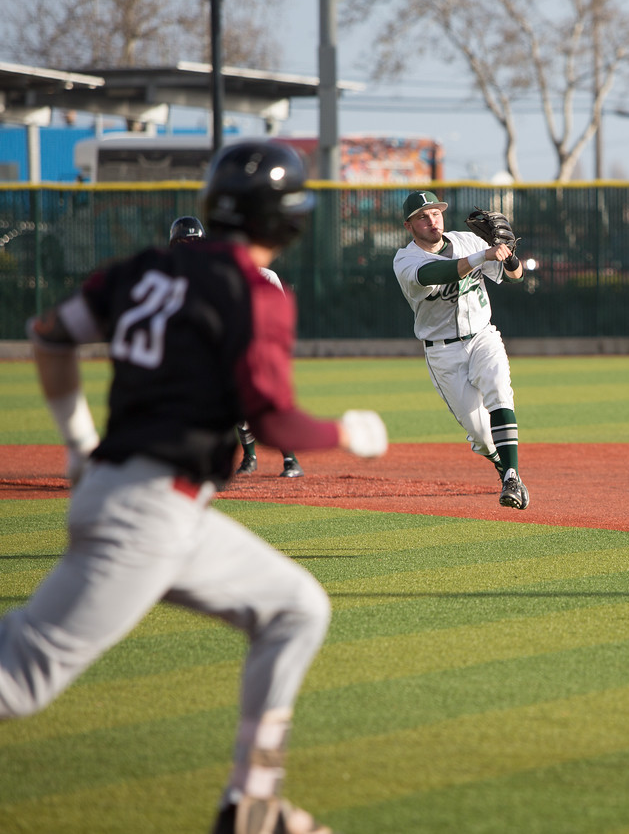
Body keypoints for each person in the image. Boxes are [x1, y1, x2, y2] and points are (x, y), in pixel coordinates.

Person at [2, 139, 388, 834]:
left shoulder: (146, 267)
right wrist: (344, 432)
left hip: (164, 505)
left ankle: (252, 805)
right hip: (143, 515)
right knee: (20, 678)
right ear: (288, 221)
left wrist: (78, 443)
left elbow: (52, 335)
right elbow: (273, 420)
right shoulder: (253, 289)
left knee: (297, 607)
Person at [392, 190, 529, 509]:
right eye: (422, 217)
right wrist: (484, 256)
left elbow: (514, 277)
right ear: (408, 226)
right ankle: (503, 467)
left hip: (482, 335)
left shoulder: (467, 240)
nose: (431, 220)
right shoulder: (406, 260)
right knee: (481, 437)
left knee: (499, 391)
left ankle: (512, 476)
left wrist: (509, 256)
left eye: (436, 213)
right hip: (443, 352)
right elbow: (436, 273)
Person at [171, 215, 304, 479]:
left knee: (267, 406)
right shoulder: (188, 280)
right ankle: (249, 457)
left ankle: (291, 460)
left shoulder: (265, 276)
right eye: (182, 243)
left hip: (258, 352)